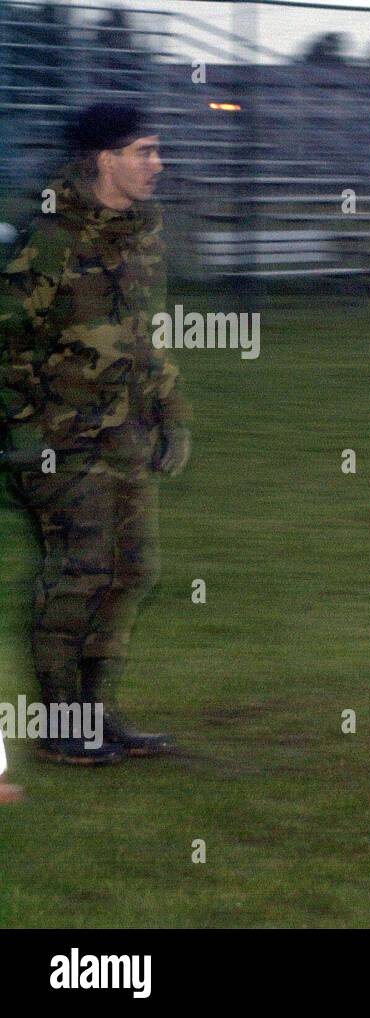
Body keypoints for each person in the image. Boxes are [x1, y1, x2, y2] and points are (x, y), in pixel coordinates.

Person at [0, 103, 190, 765]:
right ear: (102, 158)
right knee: (78, 575)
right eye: (144, 150)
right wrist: (25, 435)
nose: (156, 163)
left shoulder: (137, 234)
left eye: (156, 150)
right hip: (60, 442)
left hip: (123, 437)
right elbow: (7, 342)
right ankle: (59, 727)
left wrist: (171, 414)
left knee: (130, 571)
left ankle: (94, 713)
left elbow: (144, 337)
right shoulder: (48, 237)